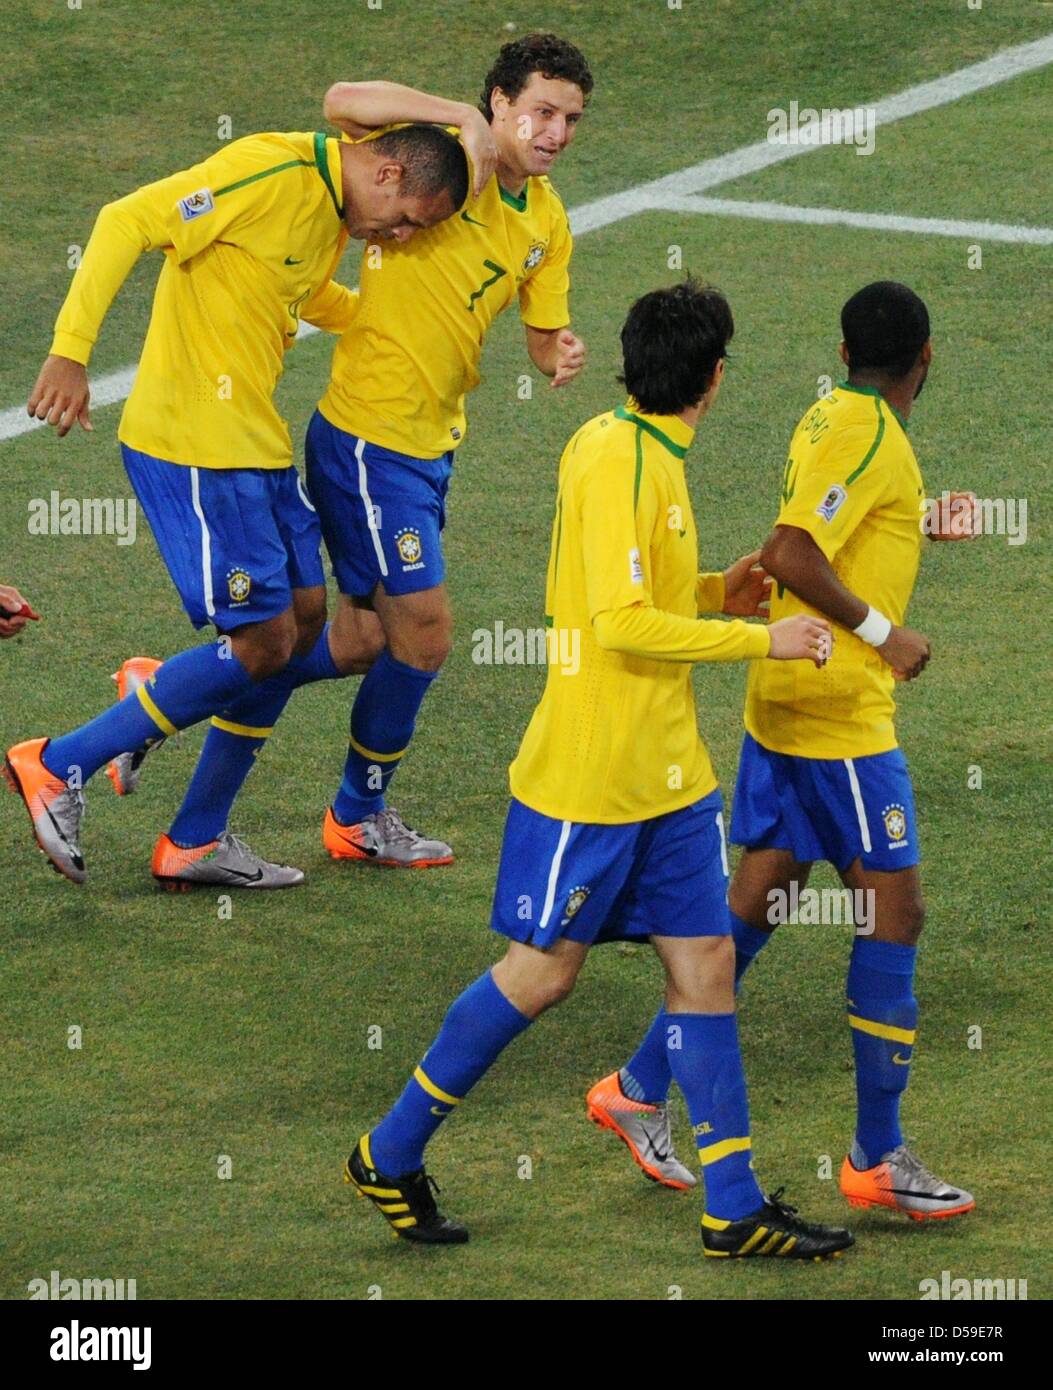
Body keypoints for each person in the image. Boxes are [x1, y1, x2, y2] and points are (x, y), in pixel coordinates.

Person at [345, 280, 853, 1261]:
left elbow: (631, 596)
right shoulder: (618, 458)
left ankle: (733, 1205)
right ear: (713, 376)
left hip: (668, 780)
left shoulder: (645, 451)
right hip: (591, 780)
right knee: (541, 974)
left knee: (704, 968)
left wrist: (718, 594)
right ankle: (390, 1148)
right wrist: (765, 641)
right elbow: (617, 626)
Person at [589, 281, 976, 1224]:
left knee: (762, 897)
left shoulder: (829, 414)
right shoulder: (872, 432)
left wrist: (916, 517)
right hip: (838, 714)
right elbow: (791, 549)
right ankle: (876, 1157)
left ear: (846, 353)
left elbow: (828, 528)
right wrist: (887, 632)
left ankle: (637, 1089)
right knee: (896, 910)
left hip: (786, 705)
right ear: (924, 358)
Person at [162, 34, 591, 875]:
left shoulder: (545, 220)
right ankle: (357, 816)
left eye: (570, 119)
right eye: (540, 111)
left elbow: (542, 333)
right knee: (425, 636)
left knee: (360, 640)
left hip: (430, 446)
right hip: (368, 441)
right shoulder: (446, 168)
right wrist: (452, 116)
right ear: (500, 103)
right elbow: (341, 99)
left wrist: (557, 355)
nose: (555, 133)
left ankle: (184, 687)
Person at [5, 122, 468, 887]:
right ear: (387, 173)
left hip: (255, 442)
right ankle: (58, 763)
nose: (402, 233)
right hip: (193, 443)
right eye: (412, 216)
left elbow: (300, 289)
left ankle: (190, 816)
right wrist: (71, 349)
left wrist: (395, 326)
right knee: (259, 645)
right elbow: (127, 218)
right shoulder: (267, 172)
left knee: (307, 621)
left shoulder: (329, 212)